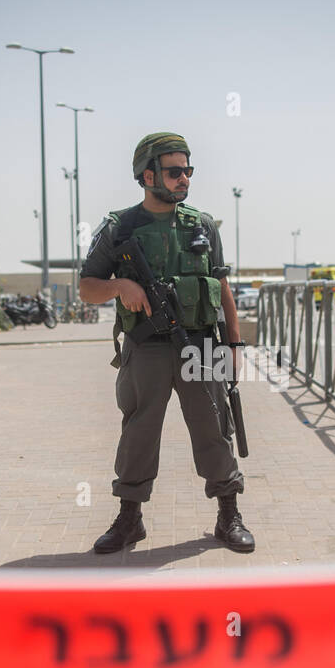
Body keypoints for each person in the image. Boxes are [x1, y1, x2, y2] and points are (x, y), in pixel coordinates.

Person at [78, 132, 254, 553]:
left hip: (199, 344)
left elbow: (222, 286)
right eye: (175, 171)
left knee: (213, 427)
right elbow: (86, 288)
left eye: (188, 171)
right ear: (146, 175)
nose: (184, 179)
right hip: (146, 345)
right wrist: (120, 285)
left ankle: (228, 514)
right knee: (139, 431)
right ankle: (130, 519)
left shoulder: (202, 225)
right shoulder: (119, 227)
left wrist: (234, 345)